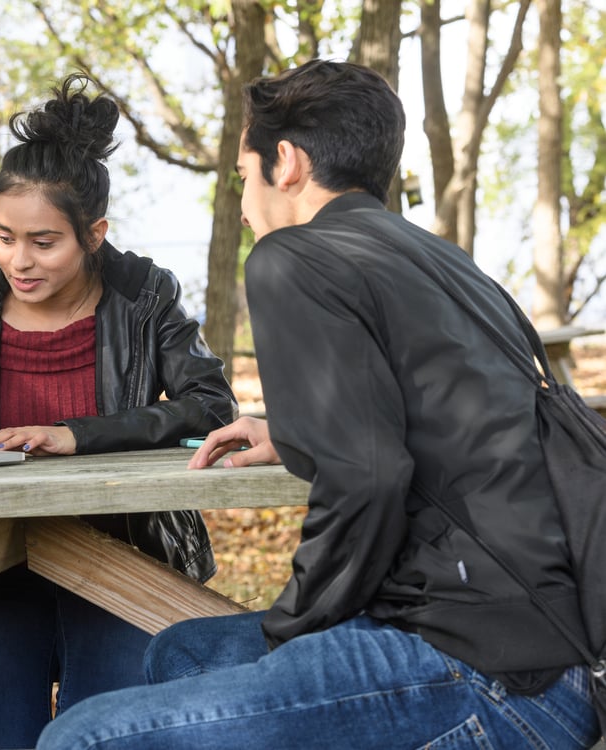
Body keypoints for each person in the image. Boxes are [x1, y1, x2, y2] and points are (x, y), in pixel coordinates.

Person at [36, 59, 602, 749]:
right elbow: (442, 415)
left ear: (287, 161)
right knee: (180, 653)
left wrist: (292, 631)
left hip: (484, 673)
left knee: (81, 737)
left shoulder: (293, 256)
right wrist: (295, 430)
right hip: (560, 653)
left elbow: (366, 477)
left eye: (242, 176)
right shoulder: (444, 262)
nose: (242, 205)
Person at [0, 74, 237, 749]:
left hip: (129, 559)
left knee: (96, 736)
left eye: (43, 242)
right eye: (3, 237)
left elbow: (210, 406)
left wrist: (76, 435)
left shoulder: (145, 297)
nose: (18, 261)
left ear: (93, 233)